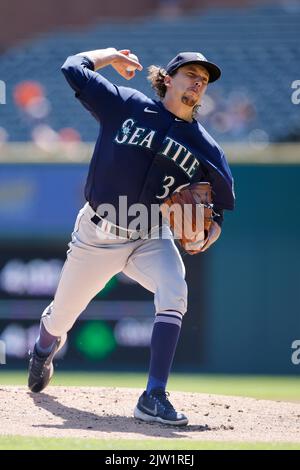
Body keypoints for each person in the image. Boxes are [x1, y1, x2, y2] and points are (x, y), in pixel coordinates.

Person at [28, 48, 235, 426]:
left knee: (175, 289)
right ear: (168, 79)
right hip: (97, 235)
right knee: (61, 318)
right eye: (191, 73)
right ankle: (43, 350)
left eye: (204, 80)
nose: (198, 82)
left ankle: (154, 395)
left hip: (150, 236)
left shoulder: (206, 146)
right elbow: (71, 66)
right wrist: (110, 56)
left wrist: (212, 229)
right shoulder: (126, 105)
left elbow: (221, 201)